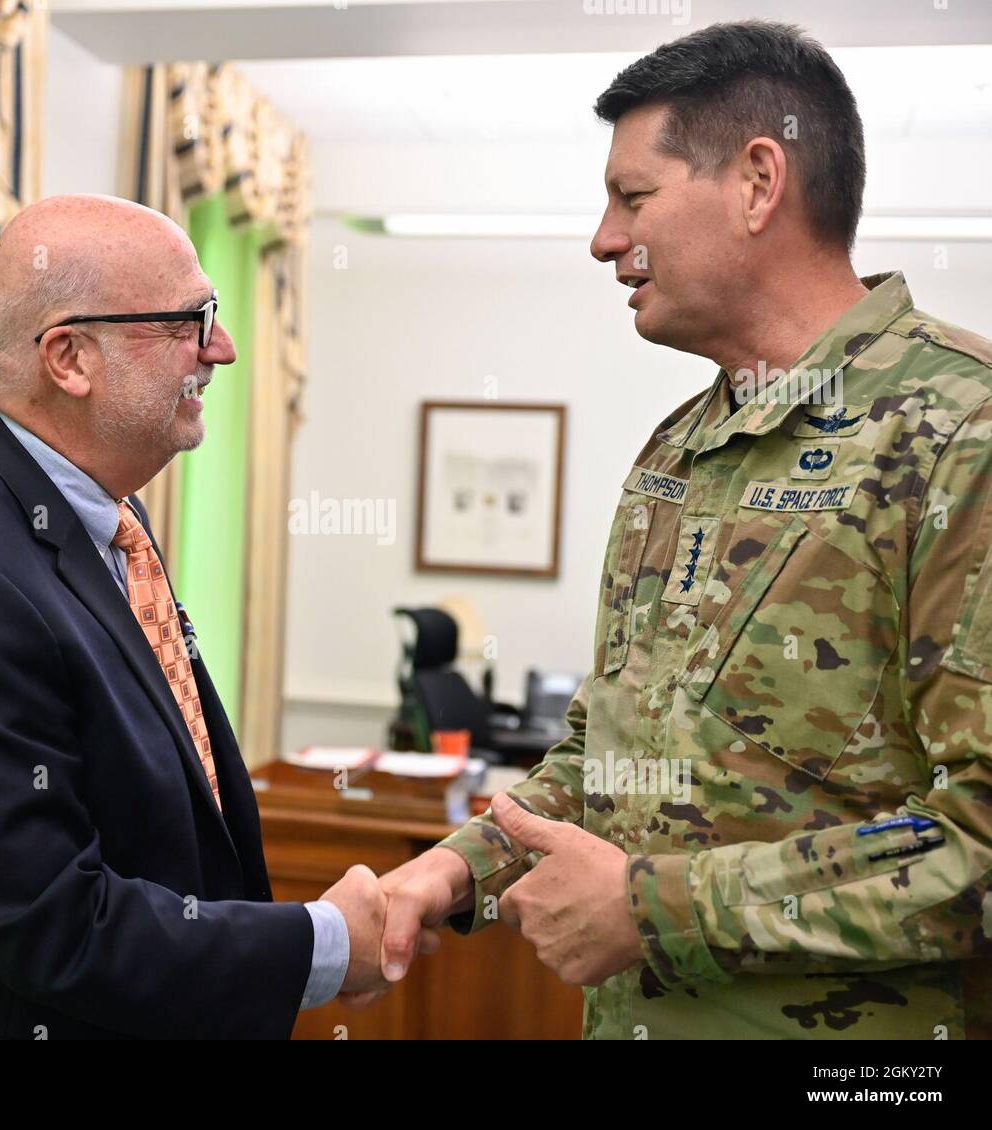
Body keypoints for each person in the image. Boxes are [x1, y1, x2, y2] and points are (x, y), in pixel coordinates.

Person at [371, 21, 992, 1039]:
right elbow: (610, 752)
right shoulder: (681, 448)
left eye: (632, 197)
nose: (604, 239)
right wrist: (455, 866)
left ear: (756, 181)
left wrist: (655, 907)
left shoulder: (959, 433)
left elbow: (978, 836)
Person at [0, 194, 418, 1038]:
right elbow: (49, 922)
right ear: (70, 358)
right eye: (191, 320)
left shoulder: (99, 521)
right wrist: (320, 945)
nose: (224, 348)